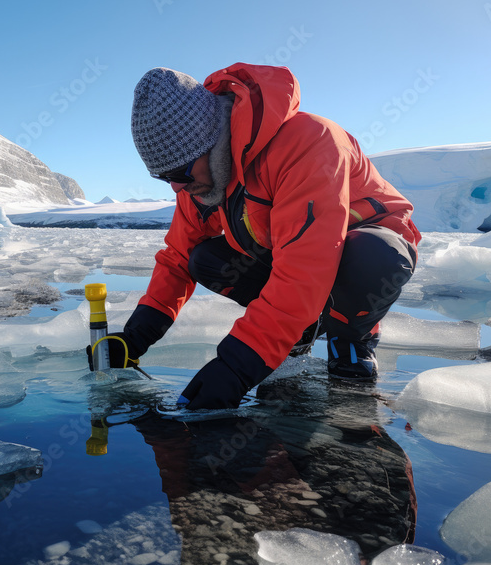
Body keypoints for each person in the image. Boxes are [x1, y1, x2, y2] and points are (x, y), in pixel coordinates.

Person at [102, 63, 420, 410]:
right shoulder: (200, 179)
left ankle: (352, 340)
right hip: (293, 253)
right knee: (204, 260)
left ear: (214, 140)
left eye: (179, 173)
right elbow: (177, 259)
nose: (177, 187)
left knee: (375, 256)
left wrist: (236, 367)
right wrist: (133, 340)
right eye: (164, 179)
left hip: (359, 247)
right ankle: (297, 333)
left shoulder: (307, 141)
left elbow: (306, 268)